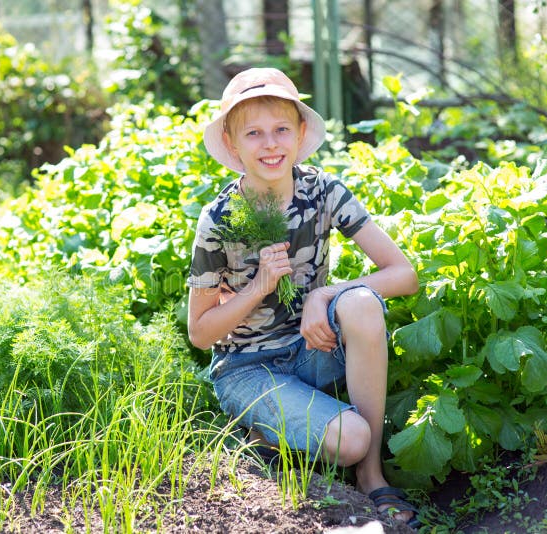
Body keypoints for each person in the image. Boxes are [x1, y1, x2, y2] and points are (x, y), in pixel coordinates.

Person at [186, 67, 421, 527]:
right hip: (249, 369)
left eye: (281, 129)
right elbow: (199, 333)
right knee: (351, 438)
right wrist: (258, 286)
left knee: (360, 303)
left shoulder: (323, 192)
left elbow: (403, 274)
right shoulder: (219, 219)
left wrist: (323, 295)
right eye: (253, 133)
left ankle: (371, 476)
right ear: (232, 145)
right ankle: (264, 433)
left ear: (299, 133)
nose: (270, 144)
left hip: (314, 348)